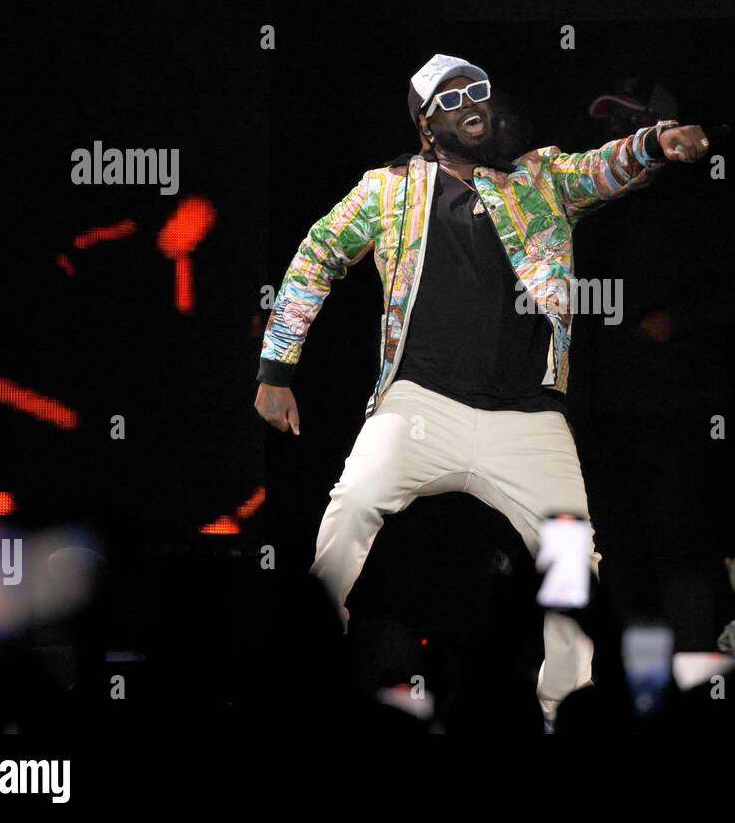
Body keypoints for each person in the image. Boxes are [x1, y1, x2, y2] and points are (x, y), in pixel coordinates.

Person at [253, 53, 709, 720]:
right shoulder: (387, 191)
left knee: (572, 557)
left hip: (525, 416)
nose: (474, 100)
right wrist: (276, 369)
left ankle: (567, 711)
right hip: (419, 404)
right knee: (349, 513)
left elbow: (602, 167)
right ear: (425, 125)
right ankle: (308, 683)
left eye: (481, 90)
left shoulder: (537, 180)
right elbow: (315, 258)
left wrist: (655, 145)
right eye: (452, 94)